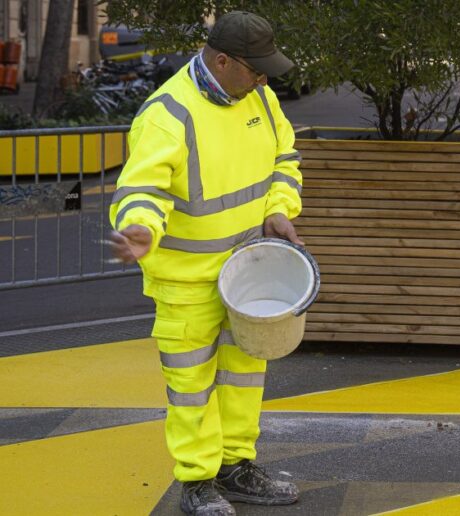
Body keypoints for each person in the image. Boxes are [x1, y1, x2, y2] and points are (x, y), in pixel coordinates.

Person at [107, 11, 305, 516]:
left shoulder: (258, 97)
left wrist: (279, 209)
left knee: (243, 377)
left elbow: (285, 158)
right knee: (191, 388)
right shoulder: (168, 113)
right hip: (186, 282)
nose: (264, 79)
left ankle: (235, 467)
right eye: (255, 69)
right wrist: (140, 228)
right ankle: (197, 482)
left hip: (246, 274)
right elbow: (142, 187)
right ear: (222, 61)